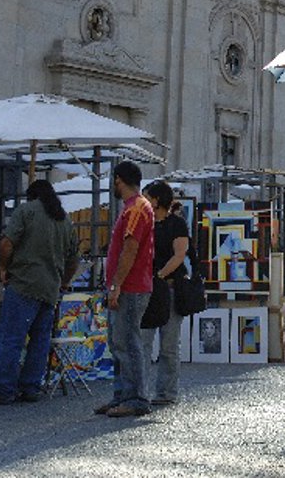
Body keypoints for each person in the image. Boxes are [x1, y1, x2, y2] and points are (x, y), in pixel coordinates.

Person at [0, 180, 78, 406]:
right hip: (49, 289)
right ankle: (30, 387)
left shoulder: (26, 211)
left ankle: (3, 389)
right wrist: (63, 283)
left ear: (32, 195)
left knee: (10, 339)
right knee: (39, 341)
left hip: (24, 284)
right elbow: (73, 259)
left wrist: (2, 267)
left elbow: (7, 243)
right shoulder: (64, 219)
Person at [96, 161, 154, 418]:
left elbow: (129, 249)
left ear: (119, 180)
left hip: (131, 286)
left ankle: (135, 397)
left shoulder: (136, 209)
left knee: (128, 343)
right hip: (131, 285)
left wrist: (116, 285)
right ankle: (122, 395)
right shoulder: (136, 207)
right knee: (119, 342)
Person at [143, 180, 188, 406]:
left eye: (147, 197)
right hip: (147, 285)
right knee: (143, 341)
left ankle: (166, 392)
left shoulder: (176, 224)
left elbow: (180, 255)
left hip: (168, 284)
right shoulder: (145, 222)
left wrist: (159, 275)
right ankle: (140, 391)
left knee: (169, 343)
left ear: (157, 200)